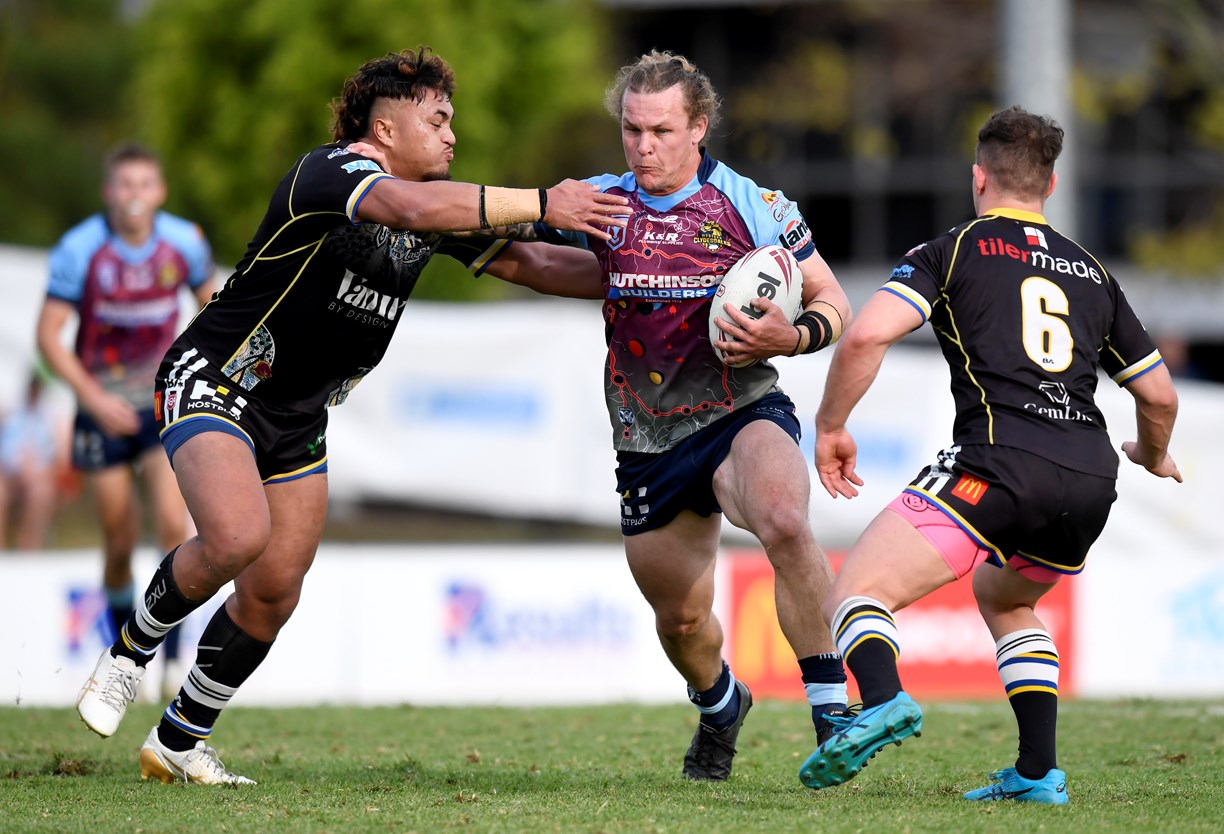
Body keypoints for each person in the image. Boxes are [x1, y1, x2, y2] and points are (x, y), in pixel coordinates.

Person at [73, 46, 627, 786]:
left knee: (274, 593)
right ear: (386, 125)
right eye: (437, 120)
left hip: (299, 417)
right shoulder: (329, 174)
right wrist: (542, 200)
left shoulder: (437, 207)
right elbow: (407, 207)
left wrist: (648, 279)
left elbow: (535, 265)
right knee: (237, 537)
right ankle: (127, 655)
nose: (451, 136)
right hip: (217, 383)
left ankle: (178, 739)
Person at [476, 51, 853, 782]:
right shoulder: (600, 201)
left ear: (698, 128)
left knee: (782, 516)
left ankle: (833, 709)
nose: (643, 146)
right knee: (681, 621)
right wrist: (463, 239)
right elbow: (542, 262)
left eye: (660, 130)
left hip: (741, 408)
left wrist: (792, 335)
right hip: (646, 434)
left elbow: (833, 300)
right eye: (631, 130)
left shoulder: (756, 206)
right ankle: (720, 704)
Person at [797, 106, 1181, 804]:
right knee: (1006, 597)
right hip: (1090, 478)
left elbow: (862, 338)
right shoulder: (1093, 272)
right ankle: (1038, 775)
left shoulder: (955, 248)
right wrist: (1153, 455)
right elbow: (1157, 395)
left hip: (998, 465)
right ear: (1052, 186)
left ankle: (880, 698)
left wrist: (830, 426)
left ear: (979, 179)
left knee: (855, 590)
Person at [37, 144, 216, 697]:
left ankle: (169, 662)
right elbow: (49, 336)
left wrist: (197, 367)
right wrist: (92, 400)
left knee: (173, 526)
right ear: (108, 192)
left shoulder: (184, 242)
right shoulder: (80, 249)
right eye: (125, 185)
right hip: (102, 411)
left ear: (159, 192)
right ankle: (123, 659)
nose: (134, 195)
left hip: (162, 406)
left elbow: (212, 305)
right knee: (118, 541)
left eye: (145, 185)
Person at [0, 370, 63, 550]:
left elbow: (59, 459)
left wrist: (38, 473)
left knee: (41, 493)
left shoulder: (51, 419)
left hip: (39, 477)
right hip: (9, 474)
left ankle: (28, 550)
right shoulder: (12, 415)